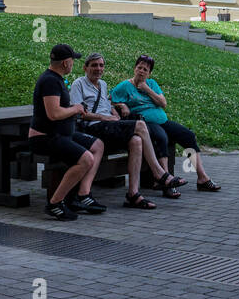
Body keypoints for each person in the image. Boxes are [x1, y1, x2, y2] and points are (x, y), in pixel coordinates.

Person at [71, 53, 184, 207]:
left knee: (136, 141)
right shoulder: (78, 84)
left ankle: (133, 194)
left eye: (101, 65)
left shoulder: (102, 84)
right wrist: (106, 118)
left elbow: (107, 104)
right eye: (94, 65)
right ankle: (159, 173)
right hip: (93, 128)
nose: (98, 69)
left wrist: (115, 109)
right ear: (85, 68)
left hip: (108, 127)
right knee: (140, 125)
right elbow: (78, 113)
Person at [111, 54, 221, 191]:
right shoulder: (124, 86)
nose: (141, 71)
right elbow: (110, 98)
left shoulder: (151, 84)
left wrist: (146, 88)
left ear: (149, 73)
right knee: (161, 137)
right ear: (134, 68)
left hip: (162, 121)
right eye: (139, 68)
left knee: (188, 136)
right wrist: (122, 105)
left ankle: (202, 177)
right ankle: (166, 181)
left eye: (145, 70)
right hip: (144, 123)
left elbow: (163, 103)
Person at [28, 44, 107, 220]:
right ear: (65, 63)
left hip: (61, 134)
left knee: (97, 145)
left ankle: (83, 194)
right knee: (86, 159)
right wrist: (76, 108)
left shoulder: (58, 79)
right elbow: (54, 113)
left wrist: (72, 108)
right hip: (45, 138)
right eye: (72, 60)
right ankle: (55, 203)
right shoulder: (50, 81)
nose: (73, 64)